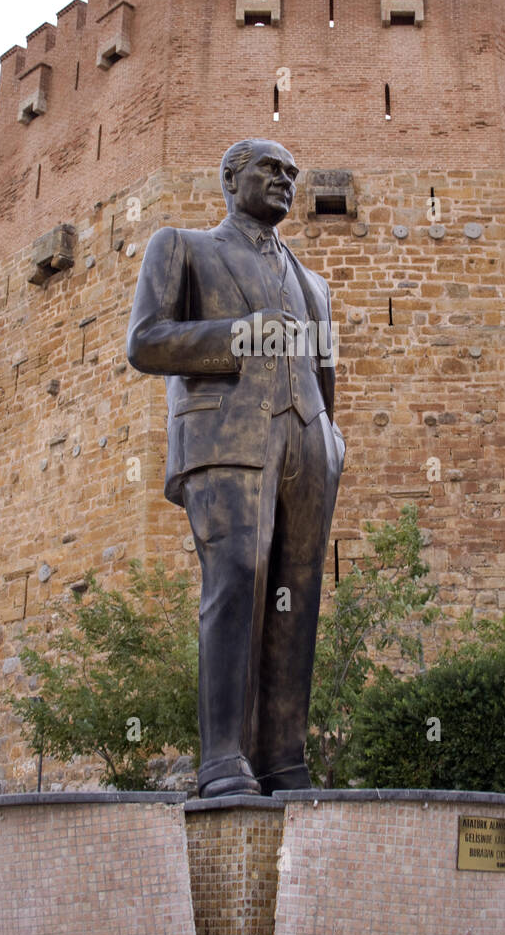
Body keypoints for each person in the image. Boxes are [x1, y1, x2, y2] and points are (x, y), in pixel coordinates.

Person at [127, 138, 345, 799]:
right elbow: (145, 343)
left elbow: (326, 374)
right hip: (225, 436)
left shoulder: (316, 285)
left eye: (291, 173)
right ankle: (221, 757)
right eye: (268, 169)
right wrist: (242, 335)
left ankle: (283, 760)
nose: (284, 180)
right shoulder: (182, 248)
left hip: (307, 444)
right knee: (238, 577)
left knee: (298, 599)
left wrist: (331, 440)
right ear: (230, 178)